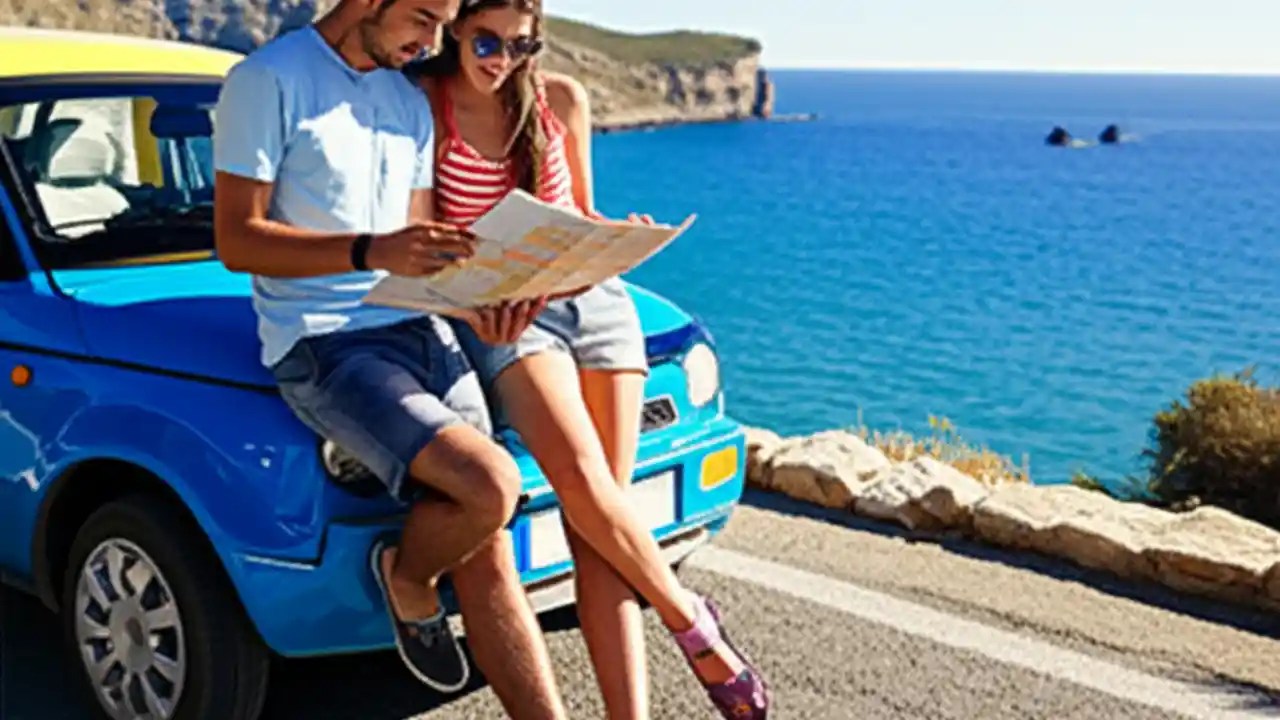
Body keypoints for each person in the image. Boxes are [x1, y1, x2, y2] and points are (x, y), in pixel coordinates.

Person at [408, 1, 770, 718]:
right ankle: (690, 619)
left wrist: (620, 236)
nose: (501, 60)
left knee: (599, 523)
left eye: (520, 44)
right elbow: (421, 246)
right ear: (455, 27)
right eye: (486, 41)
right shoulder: (422, 103)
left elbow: (578, 215)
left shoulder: (560, 99)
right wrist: (474, 304)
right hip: (511, 316)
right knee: (580, 481)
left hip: (596, 301)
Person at [211, 1, 568, 718]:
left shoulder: (406, 99)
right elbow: (237, 240)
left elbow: (415, 248)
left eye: (441, 22)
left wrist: (475, 304)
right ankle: (408, 579)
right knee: (492, 484)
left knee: (487, 535)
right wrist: (369, 250)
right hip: (324, 343)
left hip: (419, 327)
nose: (431, 41)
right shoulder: (267, 79)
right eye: (423, 17)